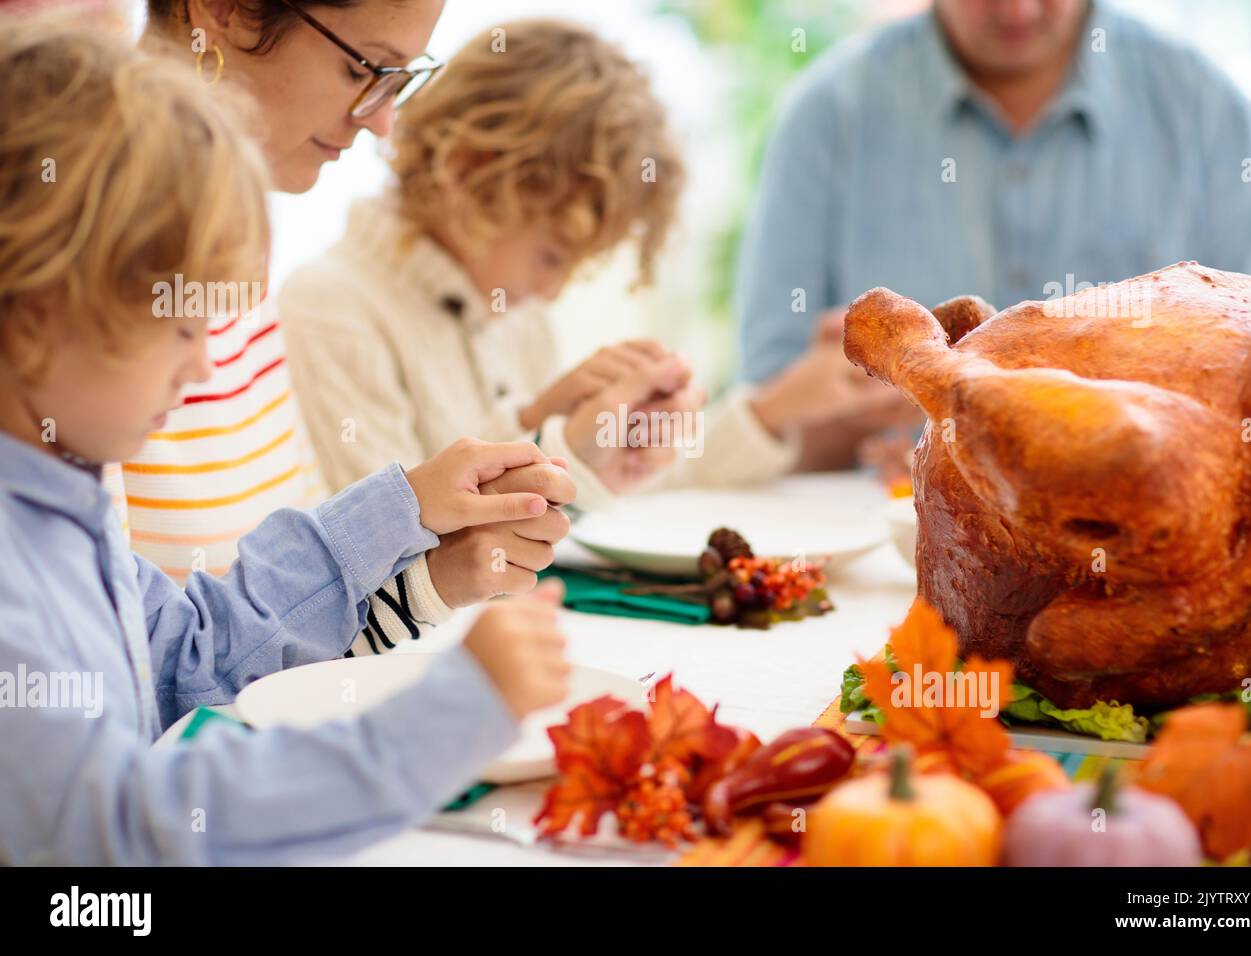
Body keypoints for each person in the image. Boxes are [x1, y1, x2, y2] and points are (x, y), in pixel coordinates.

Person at [0, 23, 572, 865]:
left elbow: (189, 661)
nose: (201, 364)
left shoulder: (65, 499)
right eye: (180, 324)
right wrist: (437, 723)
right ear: (37, 311)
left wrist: (401, 509)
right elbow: (108, 835)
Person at [118, 0, 662, 651]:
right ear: (224, 9)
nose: (382, 121)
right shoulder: (87, 261)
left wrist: (435, 578)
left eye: (401, 78)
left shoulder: (237, 230)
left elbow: (286, 630)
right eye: (363, 68)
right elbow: (170, 675)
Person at [280, 19, 887, 500]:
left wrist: (774, 407)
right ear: (468, 172)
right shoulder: (334, 310)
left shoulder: (512, 319)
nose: (552, 291)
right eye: (551, 256)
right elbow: (384, 563)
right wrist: (554, 432)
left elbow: (623, 488)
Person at [737, 0, 1251, 466]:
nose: (1018, 9)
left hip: (1147, 532)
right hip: (885, 548)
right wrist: (845, 404)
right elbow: (770, 404)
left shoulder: (1205, 107)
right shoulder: (827, 115)